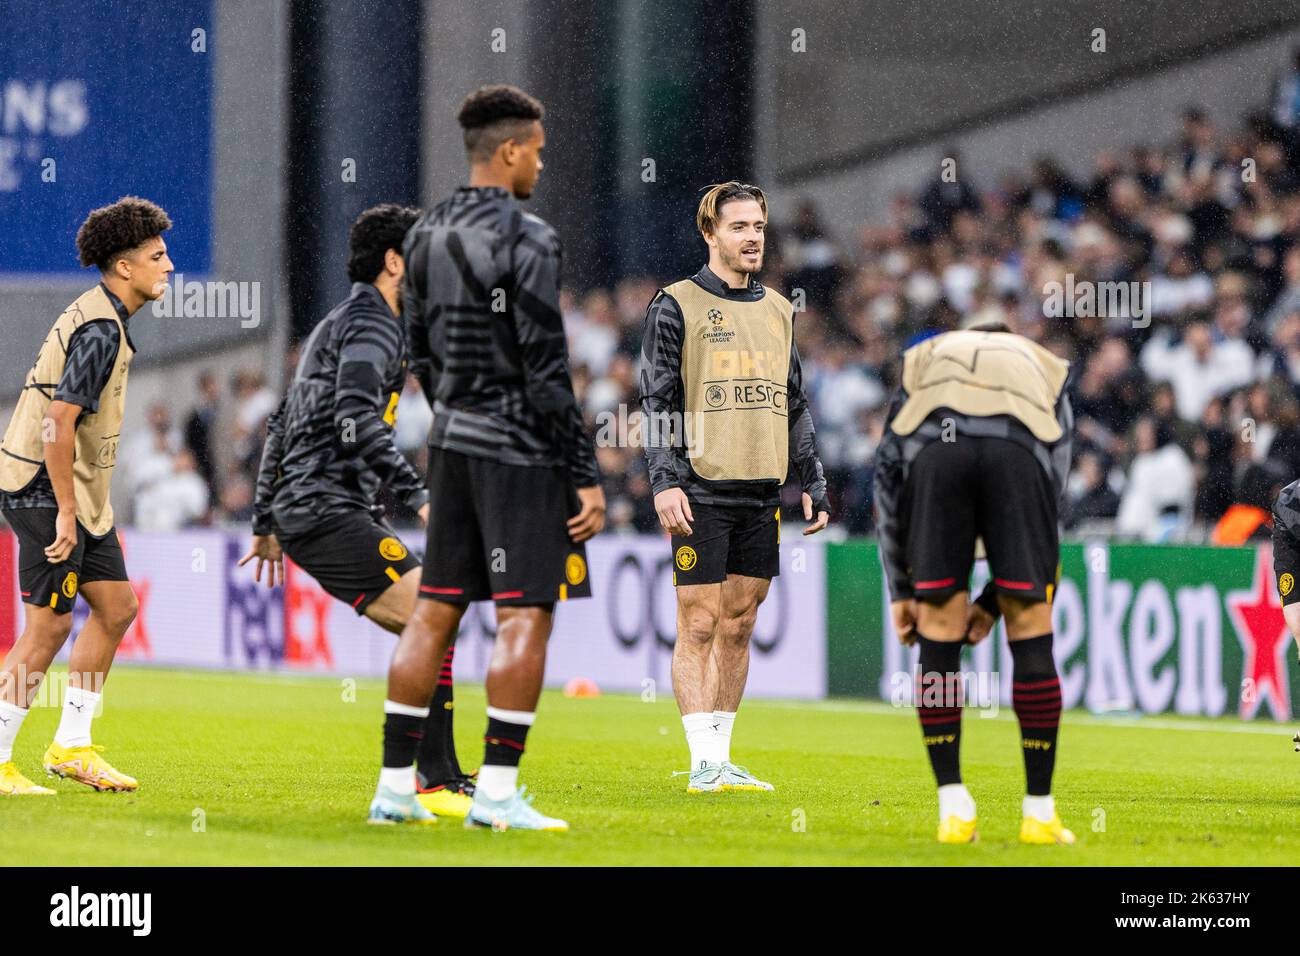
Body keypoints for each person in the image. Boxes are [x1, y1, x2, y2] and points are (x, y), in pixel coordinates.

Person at [373, 84, 604, 830]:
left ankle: (392, 789)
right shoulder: (529, 236)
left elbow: (421, 356)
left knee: (435, 611)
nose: (541, 160)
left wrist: (455, 418)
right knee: (524, 615)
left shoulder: (423, 235)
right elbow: (545, 366)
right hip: (520, 450)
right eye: (536, 148)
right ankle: (498, 794)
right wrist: (583, 473)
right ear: (509, 150)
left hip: (453, 442)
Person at [241, 205, 474, 818]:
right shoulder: (376, 326)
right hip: (326, 507)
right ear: (395, 261)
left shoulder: (338, 322)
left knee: (434, 617)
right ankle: (429, 782)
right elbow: (356, 420)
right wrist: (420, 497)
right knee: (435, 613)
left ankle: (437, 777)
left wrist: (265, 518)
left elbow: (283, 421)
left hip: (316, 508)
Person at [639, 181, 830, 794]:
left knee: (741, 622)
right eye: (740, 227)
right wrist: (664, 481)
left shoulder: (779, 308)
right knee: (698, 623)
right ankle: (701, 763)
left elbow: (794, 402)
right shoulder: (675, 305)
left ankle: (721, 757)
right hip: (700, 488)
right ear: (710, 233)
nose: (753, 238)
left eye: (759, 227)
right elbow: (658, 400)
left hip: (760, 491)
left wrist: (812, 479)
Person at [873, 320, 1076, 845]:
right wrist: (997, 601)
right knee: (1031, 627)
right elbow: (1055, 490)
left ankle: (953, 807)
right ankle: (1039, 812)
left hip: (938, 460)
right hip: (1018, 458)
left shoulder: (929, 356)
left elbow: (887, 472)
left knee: (938, 633)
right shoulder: (1041, 365)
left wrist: (901, 589)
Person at [0, 197, 173, 796]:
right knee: (47, 629)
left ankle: (71, 746)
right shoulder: (101, 328)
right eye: (157, 256)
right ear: (124, 267)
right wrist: (68, 512)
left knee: (118, 606)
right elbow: (59, 419)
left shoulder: (104, 317)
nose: (168, 266)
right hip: (46, 492)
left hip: (78, 496)